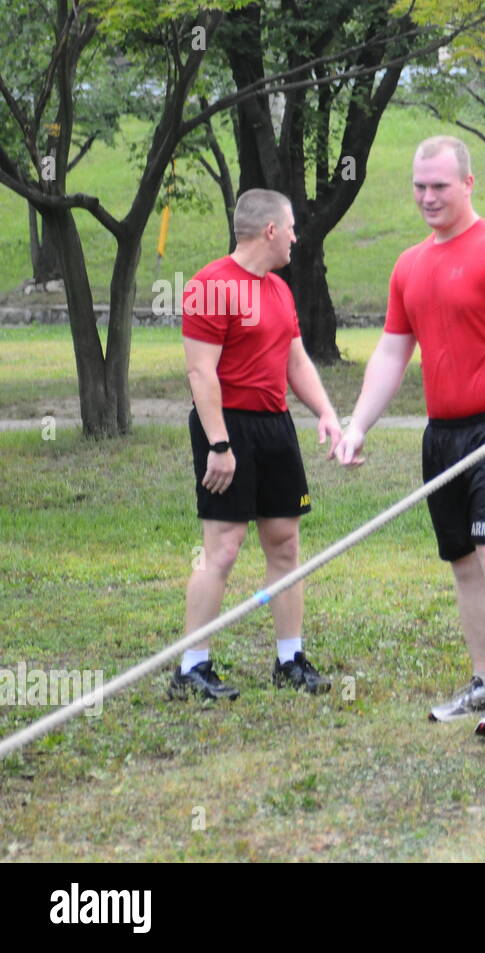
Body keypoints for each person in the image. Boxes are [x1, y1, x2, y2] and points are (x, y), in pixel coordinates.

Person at [333, 136, 485, 738]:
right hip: (442, 435)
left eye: (440, 186)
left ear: (468, 184)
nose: (428, 197)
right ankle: (483, 681)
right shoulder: (410, 264)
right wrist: (357, 423)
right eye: (419, 186)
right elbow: (392, 353)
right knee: (463, 564)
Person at [175, 188, 341, 700]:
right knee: (221, 550)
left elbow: (295, 362)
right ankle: (190, 667)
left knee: (285, 545)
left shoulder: (279, 289)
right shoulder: (210, 285)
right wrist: (219, 446)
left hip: (274, 427)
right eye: (291, 227)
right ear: (270, 230)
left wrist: (328, 413)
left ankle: (290, 659)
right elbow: (200, 373)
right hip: (227, 427)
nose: (296, 236)